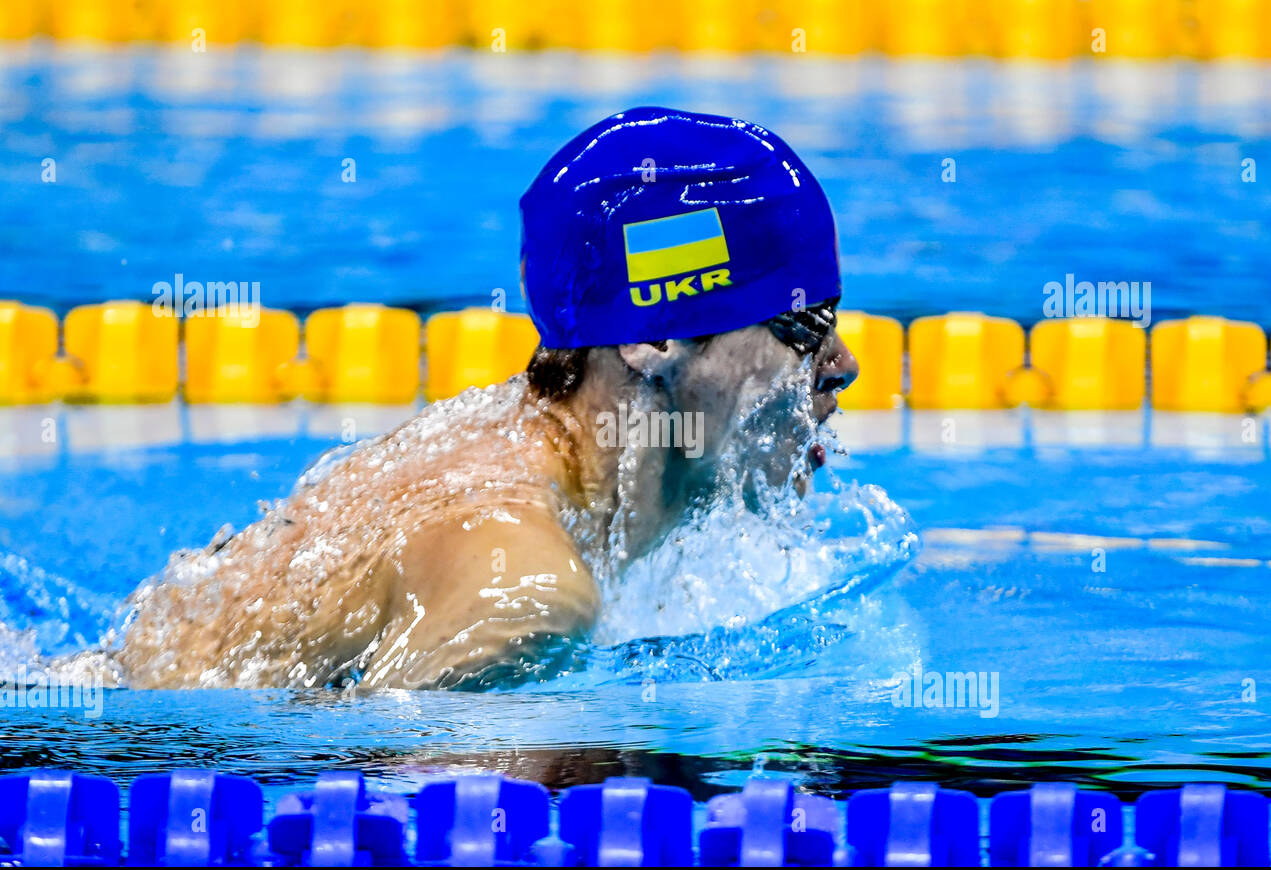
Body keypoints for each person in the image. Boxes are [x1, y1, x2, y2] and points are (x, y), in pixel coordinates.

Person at [115, 106, 859, 690]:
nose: (842, 366)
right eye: (804, 326)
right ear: (656, 336)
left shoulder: (525, 454)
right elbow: (385, 818)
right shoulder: (525, 592)